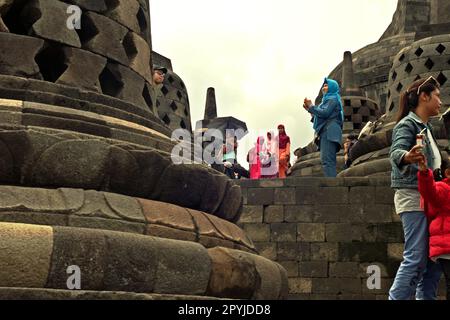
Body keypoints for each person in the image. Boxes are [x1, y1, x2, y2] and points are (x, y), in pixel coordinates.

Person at [388, 76, 443, 300]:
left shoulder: (426, 128)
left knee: (432, 261)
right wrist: (407, 157)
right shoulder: (407, 124)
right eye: (437, 96)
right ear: (424, 96)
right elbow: (396, 152)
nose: (441, 101)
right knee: (416, 256)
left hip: (429, 196)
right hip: (413, 195)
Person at [418, 153, 450, 300]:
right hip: (446, 245)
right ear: (447, 172)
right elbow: (429, 192)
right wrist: (425, 173)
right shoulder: (443, 188)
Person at [303, 78, 343, 177]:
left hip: (330, 132)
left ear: (332, 88)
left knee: (327, 161)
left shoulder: (332, 99)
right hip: (326, 132)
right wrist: (310, 110)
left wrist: (312, 106)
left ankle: (331, 185)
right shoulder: (325, 101)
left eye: (326, 85)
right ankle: (331, 183)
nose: (324, 87)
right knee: (327, 160)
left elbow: (325, 113)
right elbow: (320, 117)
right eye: (323, 85)